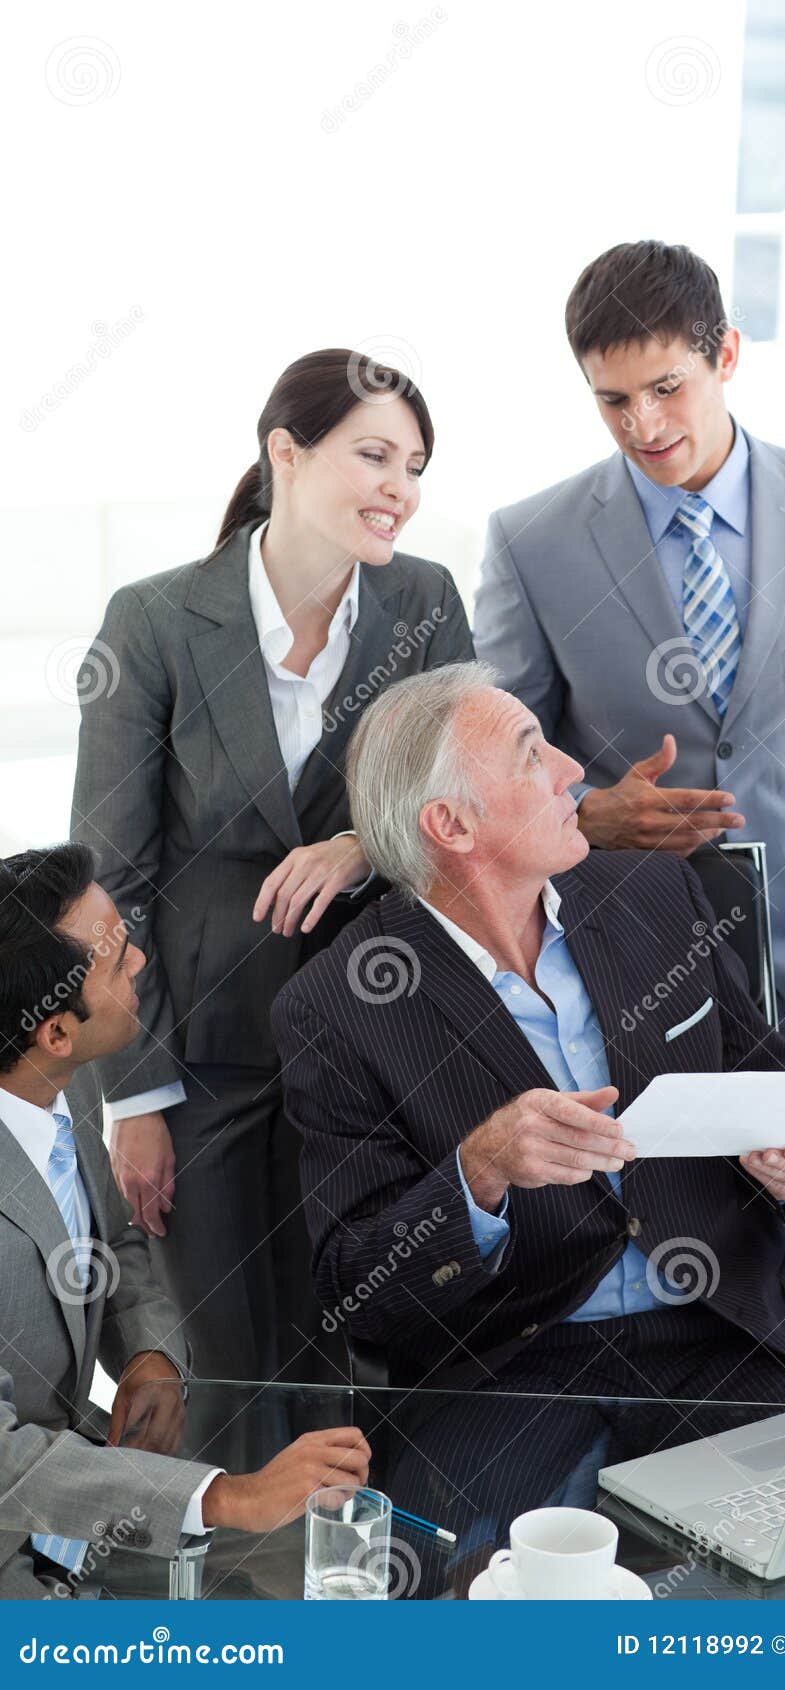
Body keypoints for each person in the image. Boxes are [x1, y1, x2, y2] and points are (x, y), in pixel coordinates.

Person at [272, 662, 785, 1544]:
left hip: (727, 1335)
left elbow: (769, 1080)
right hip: (513, 1367)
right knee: (472, 1609)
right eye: (529, 754)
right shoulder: (338, 1005)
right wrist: (478, 1174)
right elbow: (355, 1286)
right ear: (450, 824)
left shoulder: (654, 891)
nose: (572, 771)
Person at [70, 349, 474, 1382]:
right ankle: (223, 1546)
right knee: (211, 1364)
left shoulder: (421, 603)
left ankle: (350, 1552)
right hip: (193, 1052)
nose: (400, 488)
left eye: (415, 466)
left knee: (347, 1352)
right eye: (374, 455)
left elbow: (461, 812)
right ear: (284, 453)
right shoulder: (155, 622)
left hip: (361, 1046)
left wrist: (357, 845)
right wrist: (136, 1098)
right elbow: (110, 874)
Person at [473, 239, 785, 1075]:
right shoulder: (531, 541)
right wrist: (585, 815)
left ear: (727, 355)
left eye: (666, 387)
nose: (644, 424)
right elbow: (496, 768)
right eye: (613, 400)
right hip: (634, 968)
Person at [0, 846, 372, 1599]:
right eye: (115, 963)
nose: (139, 959)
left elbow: (117, 1246)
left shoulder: (55, 1087)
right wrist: (229, 1496)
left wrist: (149, 1355)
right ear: (56, 1033)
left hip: (68, 1528)